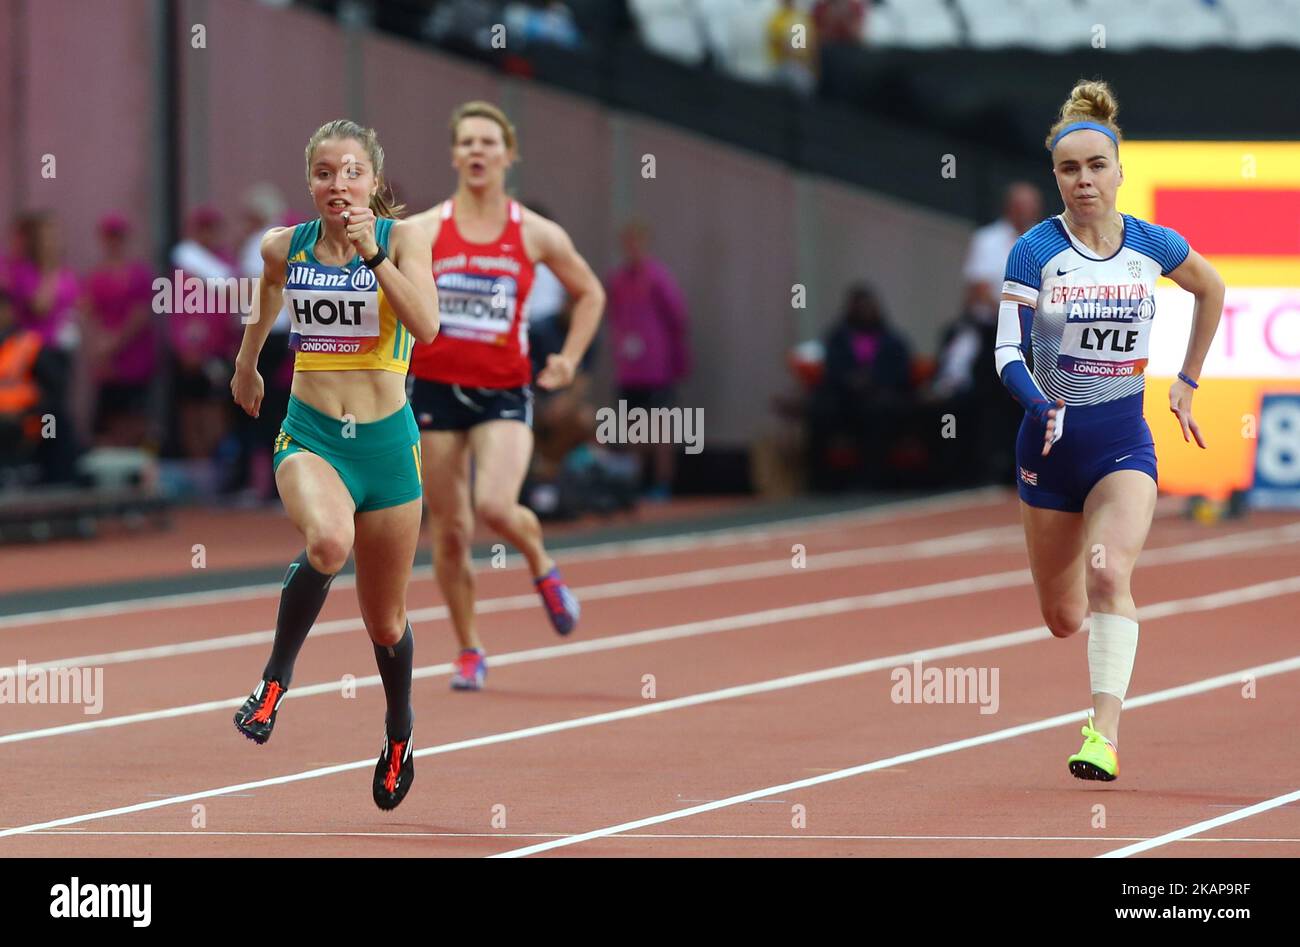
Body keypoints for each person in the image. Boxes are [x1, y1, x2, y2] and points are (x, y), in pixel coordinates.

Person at [995, 80, 1223, 781]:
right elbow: (1007, 351)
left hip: (1124, 442)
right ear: (1056, 177)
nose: (1084, 181)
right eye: (1070, 169)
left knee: (1109, 570)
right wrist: (1041, 403)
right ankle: (1092, 694)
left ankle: (1103, 735)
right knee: (1063, 615)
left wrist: (1186, 381)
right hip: (1049, 447)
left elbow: (1211, 288)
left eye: (1097, 166)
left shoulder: (1152, 244)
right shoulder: (1035, 252)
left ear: (1121, 170)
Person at [229, 119, 440, 810]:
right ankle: (272, 684)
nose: (338, 185)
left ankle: (399, 732)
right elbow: (266, 288)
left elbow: (428, 325)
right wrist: (249, 359)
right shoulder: (283, 246)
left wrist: (371, 254)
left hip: (387, 450)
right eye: (324, 173)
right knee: (327, 540)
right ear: (311, 183)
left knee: (385, 622)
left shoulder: (403, 239)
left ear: (374, 182)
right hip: (312, 436)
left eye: (351, 172)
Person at [407, 101, 604, 692]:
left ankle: (541, 565)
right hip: (436, 390)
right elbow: (386, 287)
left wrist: (568, 358)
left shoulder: (534, 232)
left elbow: (590, 293)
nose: (476, 151)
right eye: (466, 142)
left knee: (496, 505)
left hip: (503, 391)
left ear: (509, 154)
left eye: (488, 142)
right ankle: (469, 648)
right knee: (450, 531)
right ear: (453, 154)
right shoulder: (424, 229)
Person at [605, 219, 691, 501]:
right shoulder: (618, 280)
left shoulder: (658, 277)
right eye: (628, 243)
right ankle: (635, 484)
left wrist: (677, 359)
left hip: (656, 367)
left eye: (637, 242)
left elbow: (678, 318)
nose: (632, 249)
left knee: (661, 427)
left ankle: (662, 483)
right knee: (633, 429)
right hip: (630, 369)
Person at [806, 283, 912, 491]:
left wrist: (875, 381)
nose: (865, 311)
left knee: (879, 411)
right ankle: (820, 481)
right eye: (860, 307)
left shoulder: (892, 340)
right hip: (844, 400)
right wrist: (850, 381)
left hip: (878, 400)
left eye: (869, 306)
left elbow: (901, 373)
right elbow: (831, 371)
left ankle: (872, 479)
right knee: (820, 411)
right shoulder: (837, 338)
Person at [84, 213, 156, 447]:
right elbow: (89, 312)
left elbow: (140, 313)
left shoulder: (138, 273)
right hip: (107, 362)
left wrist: (114, 343)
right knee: (108, 417)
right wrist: (99, 346)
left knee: (134, 416)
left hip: (134, 358)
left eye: (118, 237)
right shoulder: (97, 276)